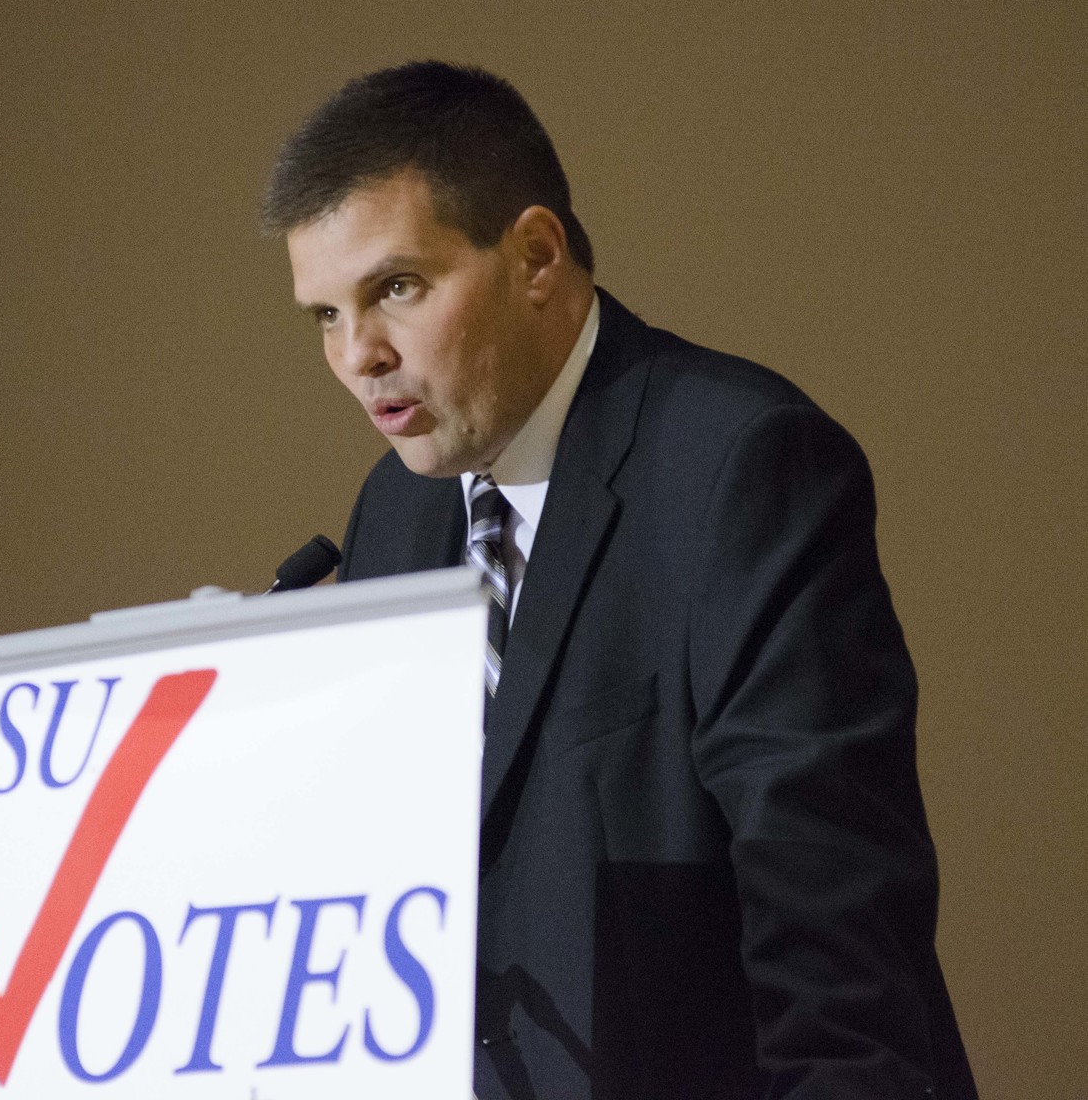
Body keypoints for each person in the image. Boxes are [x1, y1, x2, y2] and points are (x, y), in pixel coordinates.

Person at [262, 61, 976, 1100]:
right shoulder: (398, 510)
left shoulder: (739, 468)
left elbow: (833, 933)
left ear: (538, 255)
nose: (358, 355)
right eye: (324, 314)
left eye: (396, 289)